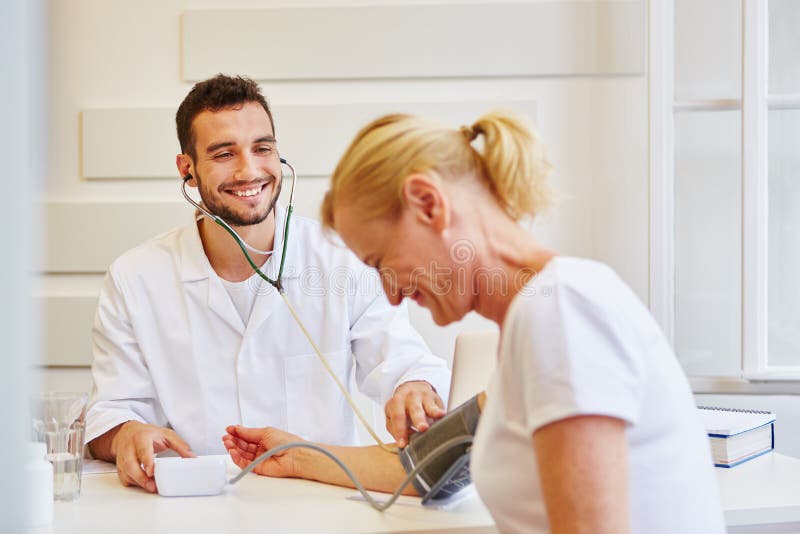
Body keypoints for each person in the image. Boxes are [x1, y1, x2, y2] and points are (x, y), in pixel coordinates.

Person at [226, 111, 725, 533]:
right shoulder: (532, 322)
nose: (391, 294)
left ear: (428, 203)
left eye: (382, 263)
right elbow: (426, 468)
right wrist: (298, 455)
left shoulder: (561, 314)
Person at [85, 75, 451, 494]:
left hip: (325, 507)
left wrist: (414, 390)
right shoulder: (135, 278)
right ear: (187, 169)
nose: (249, 170)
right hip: (203, 509)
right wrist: (125, 434)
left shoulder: (343, 258)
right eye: (224, 154)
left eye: (262, 148)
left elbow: (407, 363)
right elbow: (109, 413)